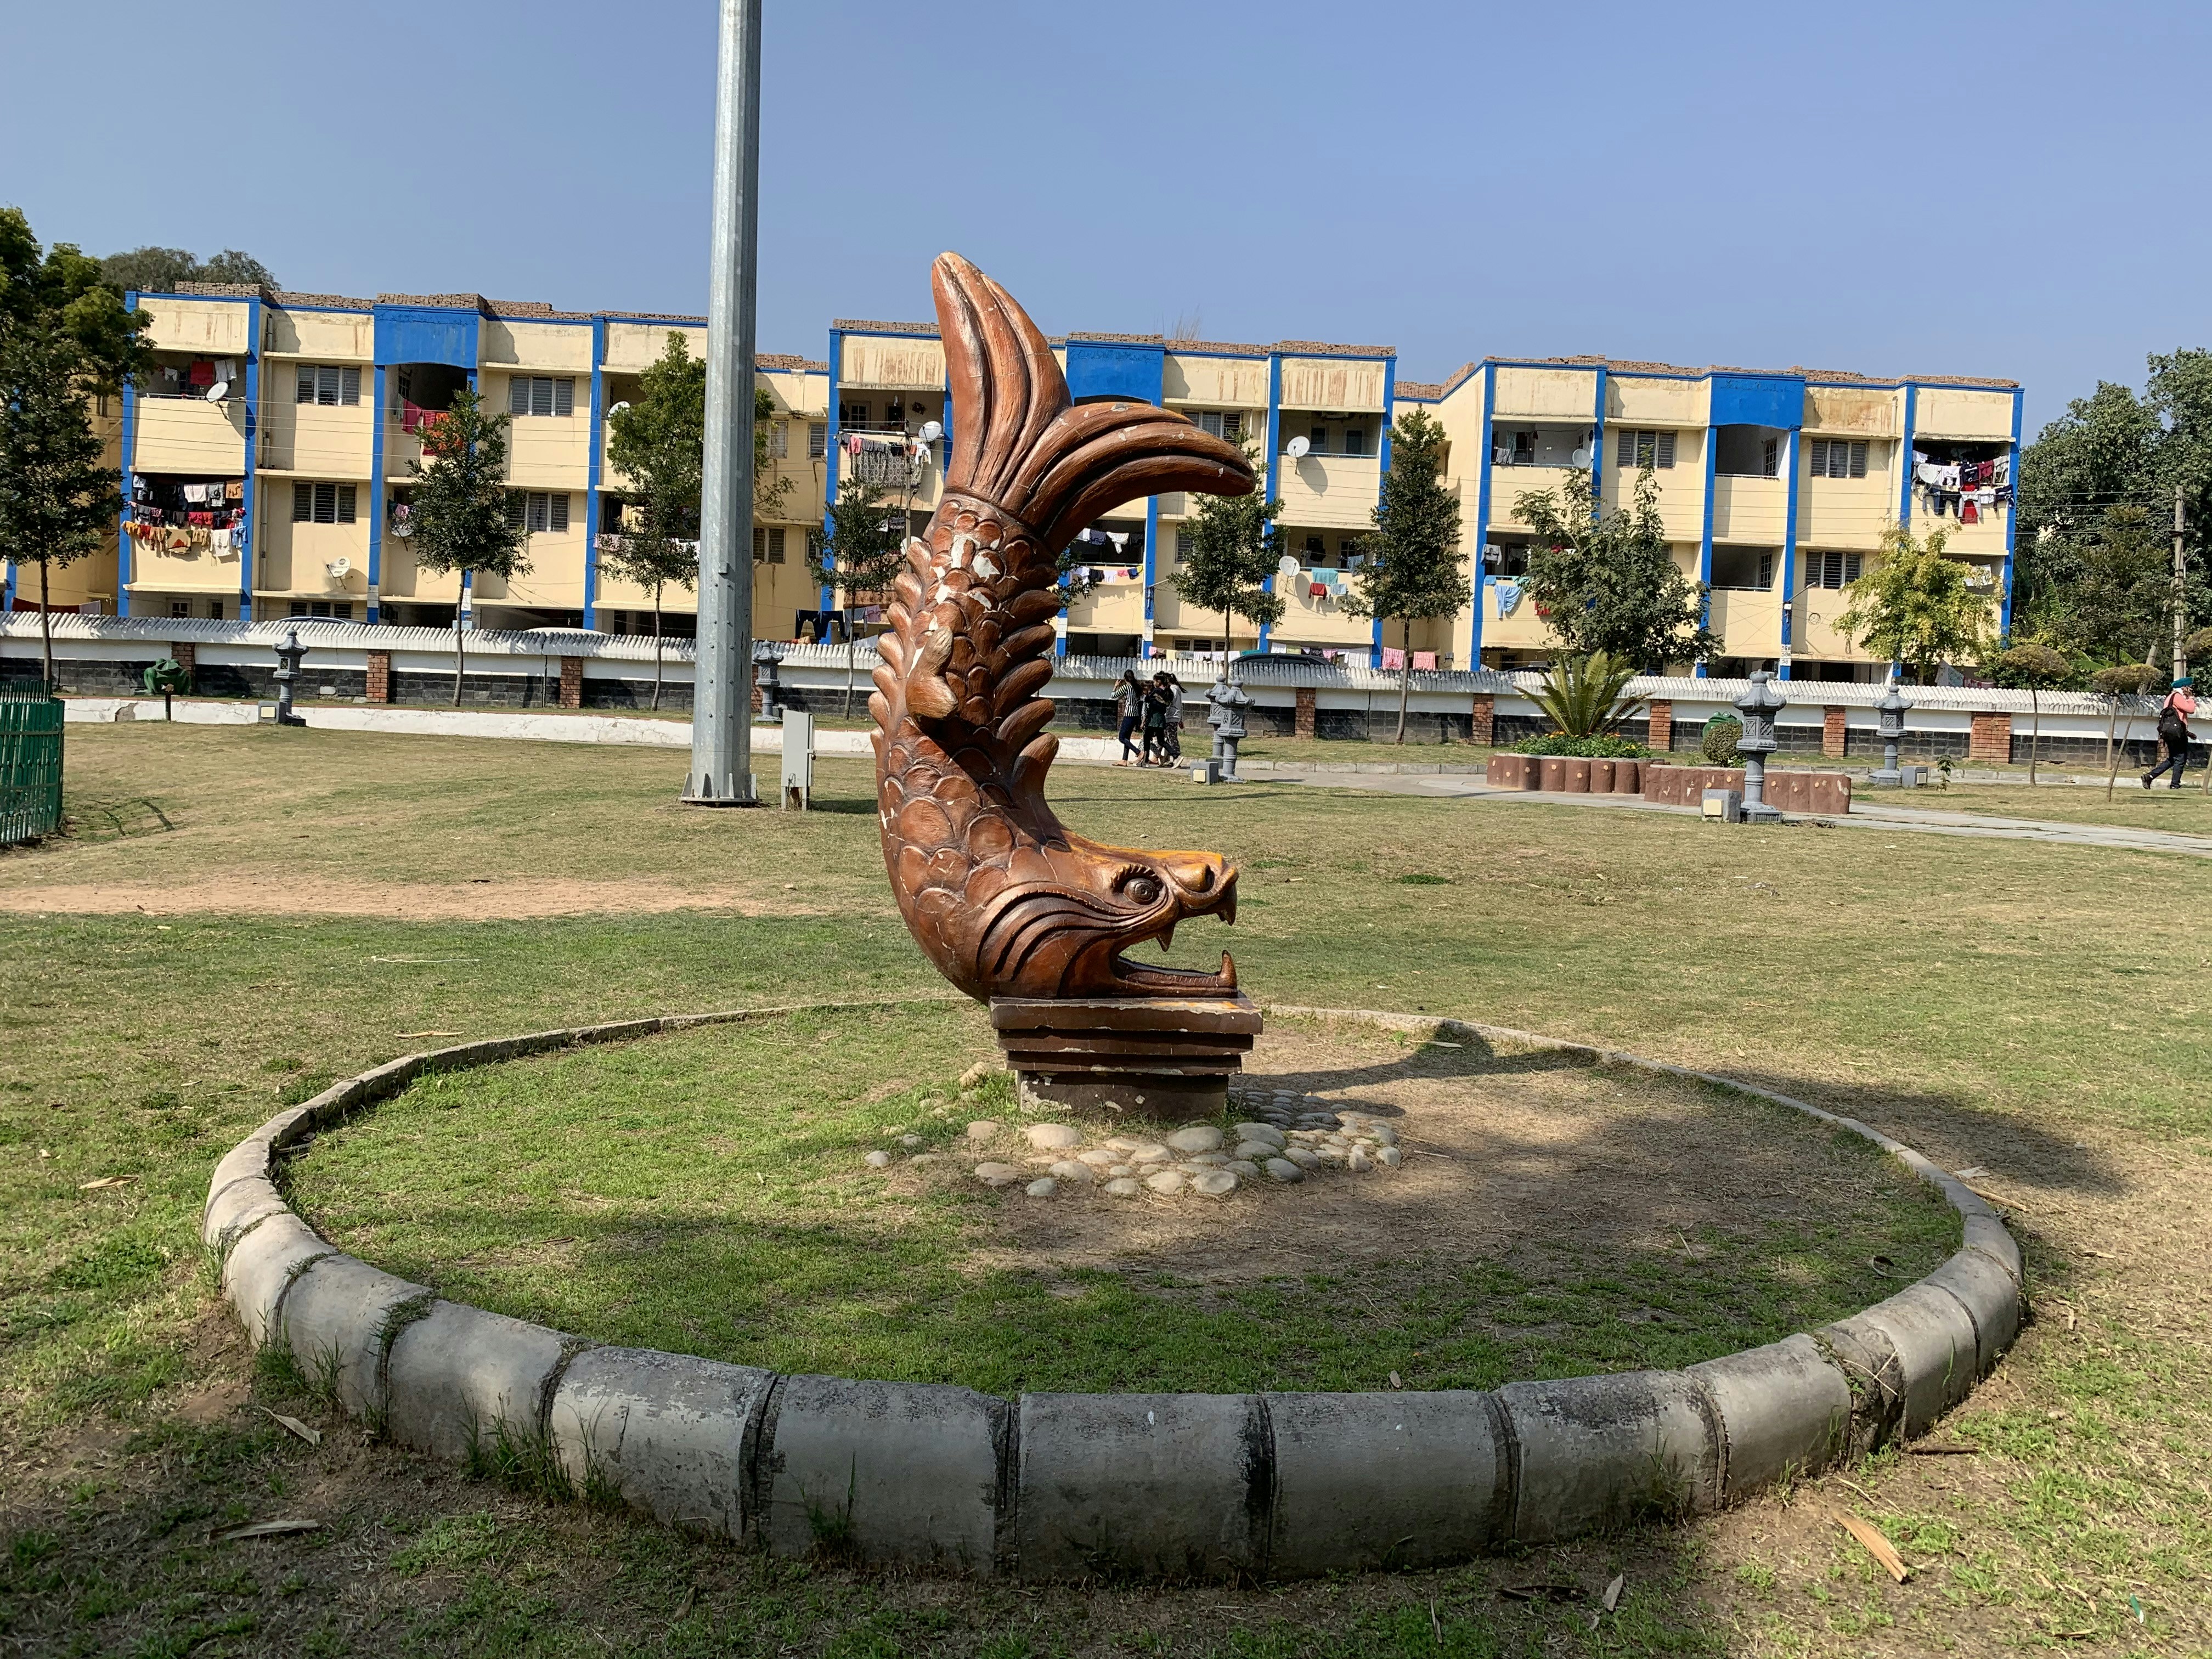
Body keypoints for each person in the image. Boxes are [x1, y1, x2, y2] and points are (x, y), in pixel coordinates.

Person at [2144, 676, 2197, 788]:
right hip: (2177, 733)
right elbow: (2190, 709)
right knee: (2181, 759)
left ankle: (2150, 776)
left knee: (2173, 759)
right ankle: (2175, 785)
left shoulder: (2171, 697)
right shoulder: (2178, 697)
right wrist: (2191, 698)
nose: (2191, 689)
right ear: (2184, 688)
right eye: (2189, 687)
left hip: (2171, 732)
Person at [1152, 670, 1184, 764]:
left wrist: (1164, 711)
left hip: (1171, 716)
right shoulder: (1176, 690)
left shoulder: (1173, 690)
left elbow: (1170, 703)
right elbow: (1180, 706)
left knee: (1171, 738)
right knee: (1165, 738)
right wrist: (1181, 719)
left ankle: (1175, 757)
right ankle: (1159, 756)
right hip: (1173, 716)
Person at [1113, 668, 1143, 765]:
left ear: (1125, 678)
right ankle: (1124, 760)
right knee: (1127, 738)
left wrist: (1116, 687)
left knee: (1122, 738)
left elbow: (1114, 696)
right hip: (1135, 715)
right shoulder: (1136, 687)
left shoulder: (1126, 687)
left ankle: (1138, 752)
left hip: (1128, 715)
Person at [1140, 674, 1170, 764]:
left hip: (1151, 721)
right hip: (1154, 720)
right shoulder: (1156, 695)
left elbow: (1146, 712)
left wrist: (1142, 723)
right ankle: (1148, 758)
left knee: (1146, 741)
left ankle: (1144, 759)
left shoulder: (1151, 697)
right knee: (1153, 741)